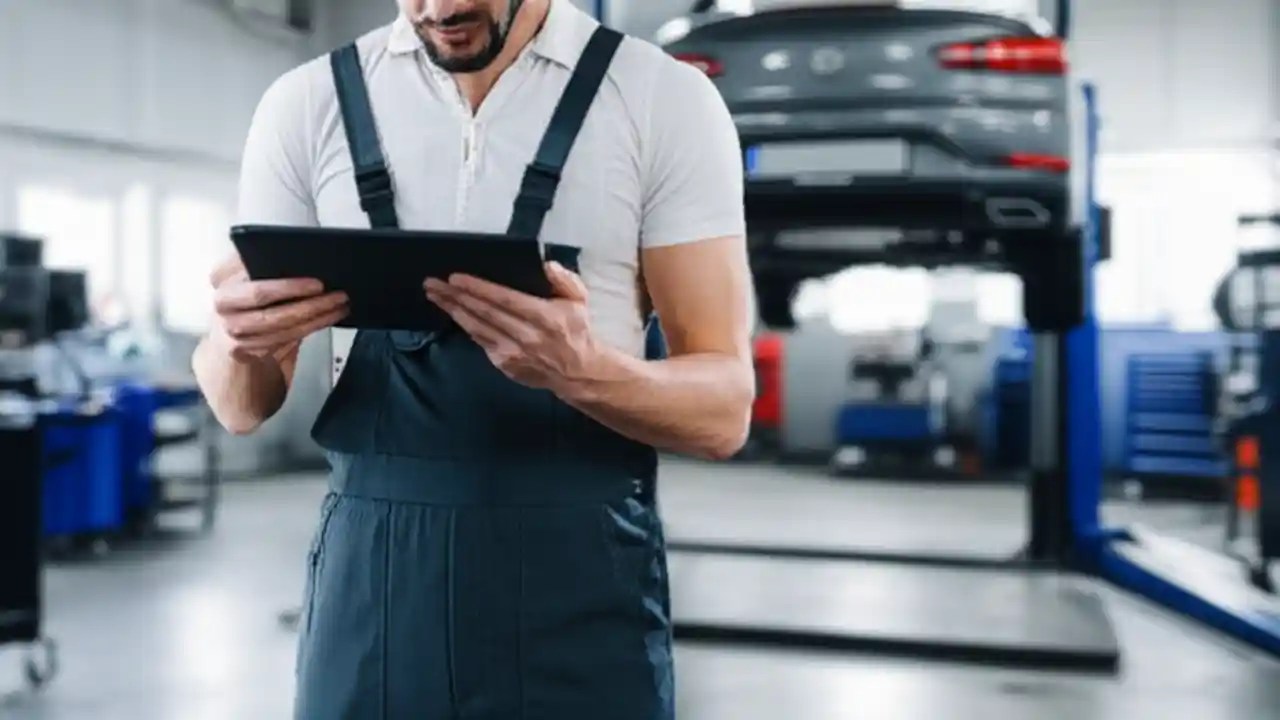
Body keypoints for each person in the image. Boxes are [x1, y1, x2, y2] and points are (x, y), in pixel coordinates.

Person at [190, 0, 754, 718]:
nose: (442, 8)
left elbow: (725, 410)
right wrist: (235, 340)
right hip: (373, 600)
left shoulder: (660, 98)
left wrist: (583, 370)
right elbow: (240, 407)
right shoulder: (307, 104)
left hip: (578, 597)